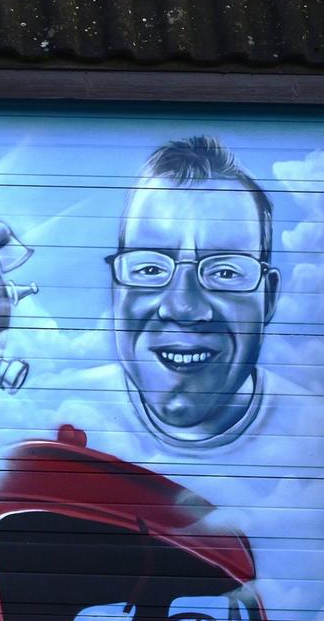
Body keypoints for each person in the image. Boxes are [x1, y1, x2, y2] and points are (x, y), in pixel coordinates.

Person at [107, 135, 281, 448]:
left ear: (268, 297)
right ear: (116, 288)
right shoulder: (52, 420)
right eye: (149, 269)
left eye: (225, 272)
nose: (183, 306)